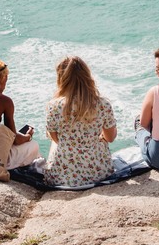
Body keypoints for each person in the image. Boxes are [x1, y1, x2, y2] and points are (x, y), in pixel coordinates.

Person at [43, 56, 117, 187]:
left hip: (62, 176)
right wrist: (99, 137)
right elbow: (110, 138)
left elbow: (55, 138)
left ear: (62, 79)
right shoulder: (103, 104)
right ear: (87, 76)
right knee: (100, 139)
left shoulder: (53, 106)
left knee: (57, 142)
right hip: (99, 173)